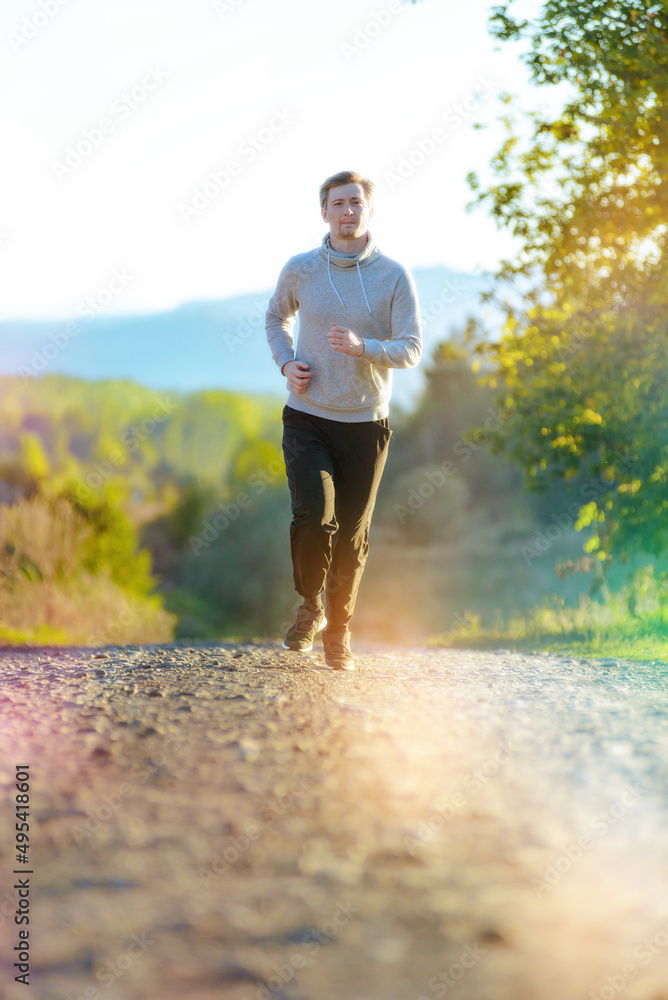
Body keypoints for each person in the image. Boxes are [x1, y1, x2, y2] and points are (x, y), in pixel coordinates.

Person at [265, 169, 422, 670]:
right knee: (313, 517)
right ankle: (310, 606)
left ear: (369, 210)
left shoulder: (393, 275)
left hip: (366, 423)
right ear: (324, 212)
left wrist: (363, 348)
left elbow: (411, 348)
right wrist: (286, 362)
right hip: (307, 417)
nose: (348, 211)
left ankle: (339, 632)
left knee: (352, 535)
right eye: (338, 203)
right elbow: (275, 318)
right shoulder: (301, 269)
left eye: (356, 202)